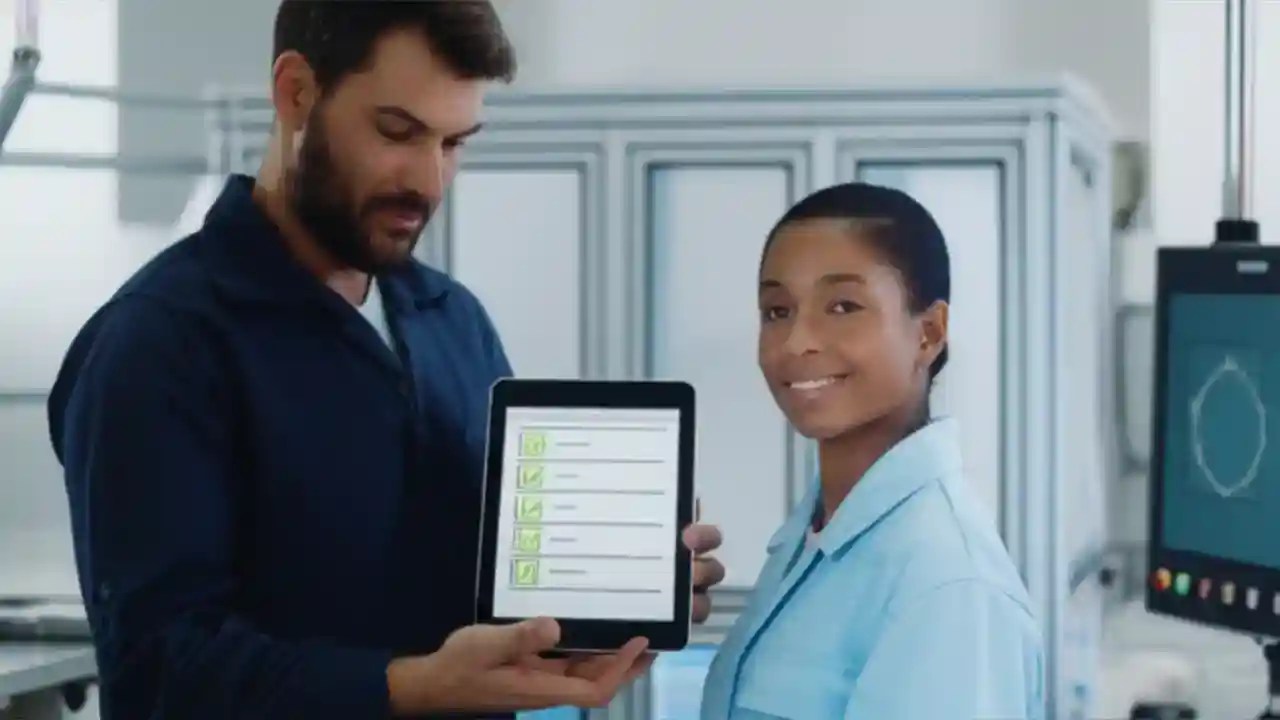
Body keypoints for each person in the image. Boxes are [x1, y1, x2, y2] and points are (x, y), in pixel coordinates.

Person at [45, 2, 725, 718]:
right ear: (297, 91)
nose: (429, 182)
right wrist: (413, 686)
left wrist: (598, 606)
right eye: (397, 133)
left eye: (456, 143)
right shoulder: (158, 343)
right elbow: (159, 671)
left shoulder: (453, 322)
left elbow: (475, 600)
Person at [699, 183, 1043, 719]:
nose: (796, 343)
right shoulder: (814, 541)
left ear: (929, 333)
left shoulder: (948, 588)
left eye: (842, 306)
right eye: (776, 310)